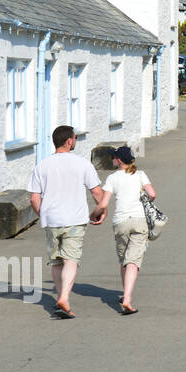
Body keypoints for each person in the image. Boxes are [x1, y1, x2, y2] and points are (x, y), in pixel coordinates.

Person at [29, 125, 104, 319]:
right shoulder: (82, 163)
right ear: (69, 141)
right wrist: (101, 210)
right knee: (71, 259)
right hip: (74, 218)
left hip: (52, 219)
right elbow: (96, 191)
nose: (76, 141)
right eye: (75, 138)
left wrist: (43, 213)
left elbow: (34, 198)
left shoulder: (42, 165)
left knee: (56, 261)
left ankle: (60, 298)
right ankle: (63, 297)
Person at [91, 146, 155, 315]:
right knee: (133, 261)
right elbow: (152, 194)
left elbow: (103, 204)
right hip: (139, 221)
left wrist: (94, 214)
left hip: (121, 223)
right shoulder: (140, 175)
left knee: (124, 260)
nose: (113, 160)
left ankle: (125, 294)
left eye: (114, 158)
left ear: (118, 160)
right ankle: (127, 298)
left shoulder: (113, 178)